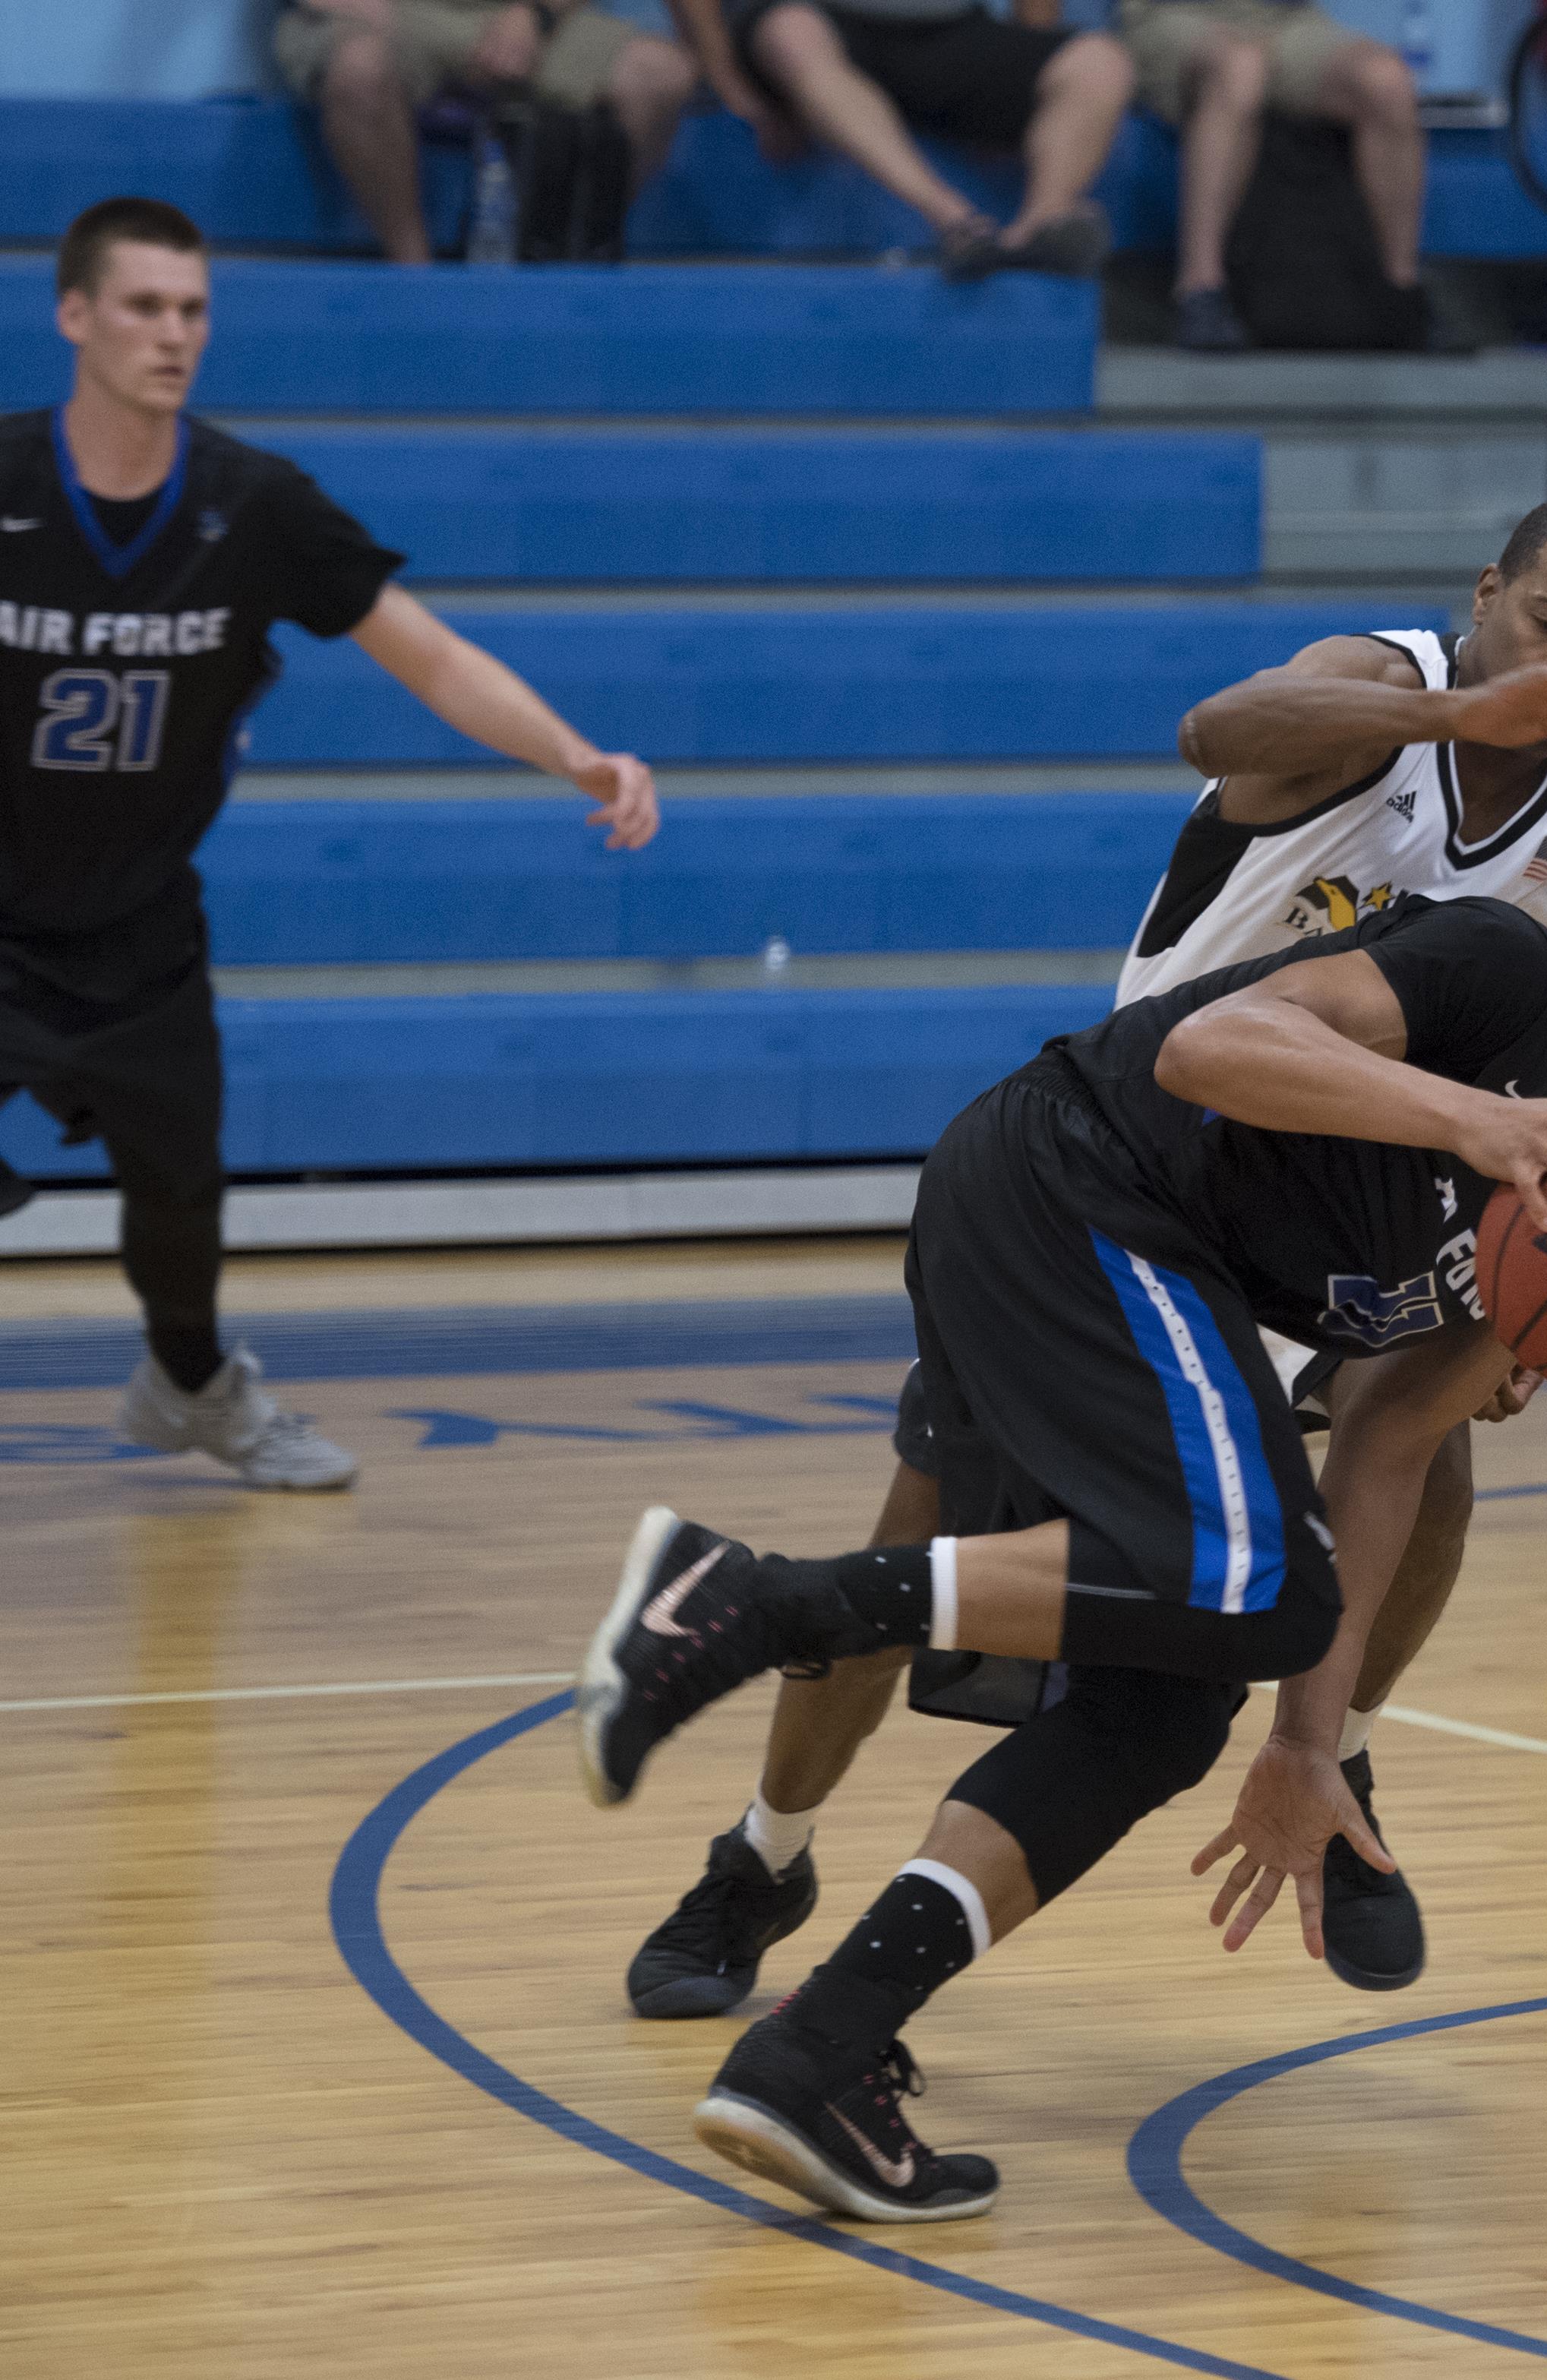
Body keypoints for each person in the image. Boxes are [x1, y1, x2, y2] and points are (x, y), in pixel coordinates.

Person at [568, 878, 1547, 2220]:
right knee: (1249, 1584)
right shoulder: (1514, 978)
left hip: (1126, 1249)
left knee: (1167, 1705)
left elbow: (1385, 1443)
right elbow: (1208, 1047)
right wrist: (1481, 1117)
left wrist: (1308, 1745)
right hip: (1076, 1177)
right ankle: (746, 1599)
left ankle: (817, 2047)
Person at [621, 496, 1547, 2025]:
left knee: (1421, 1453)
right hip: (1132, 1181)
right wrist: (1458, 703)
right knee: (926, 1527)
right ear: (1485, 594)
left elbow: (1541, 1057)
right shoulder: (1371, 698)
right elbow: (1208, 726)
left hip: (1340, 1228)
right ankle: (764, 1853)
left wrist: (1512, 1293)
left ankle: (1339, 1748)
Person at [2, 201, 658, 1490]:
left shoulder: (255, 506)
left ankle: (190, 1386)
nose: (173, 334)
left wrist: (572, 753)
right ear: (74, 315)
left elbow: (431, 655)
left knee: (182, 1204)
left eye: (192, 310)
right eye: (143, 306)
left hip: (140, 927)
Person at [666, 0, 1132, 280]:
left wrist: (1019, 100)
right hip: (808, 22)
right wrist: (732, 87)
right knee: (791, 33)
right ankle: (957, 223)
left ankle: (1040, 227)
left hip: (949, 32)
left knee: (1100, 62)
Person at [276, 0, 702, 266]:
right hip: (386, 14)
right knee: (358, 67)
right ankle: (412, 273)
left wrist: (534, 14)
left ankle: (571, 254)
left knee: (659, 75)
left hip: (512, 14)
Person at [1116, 0, 1427, 353]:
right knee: (1240, 67)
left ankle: (1400, 295)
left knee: (1387, 81)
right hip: (1173, 16)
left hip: (1285, 20)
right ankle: (1200, 289)